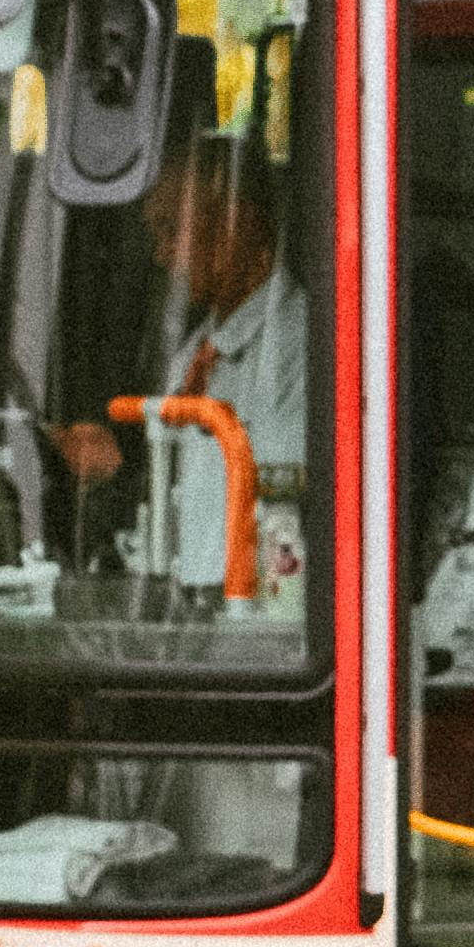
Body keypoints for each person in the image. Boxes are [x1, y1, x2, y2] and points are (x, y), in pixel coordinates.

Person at [52, 134, 306, 603]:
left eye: (173, 230)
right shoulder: (193, 354)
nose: (162, 254)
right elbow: (174, 491)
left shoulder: (299, 342)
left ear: (238, 222)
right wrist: (115, 473)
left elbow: (281, 506)